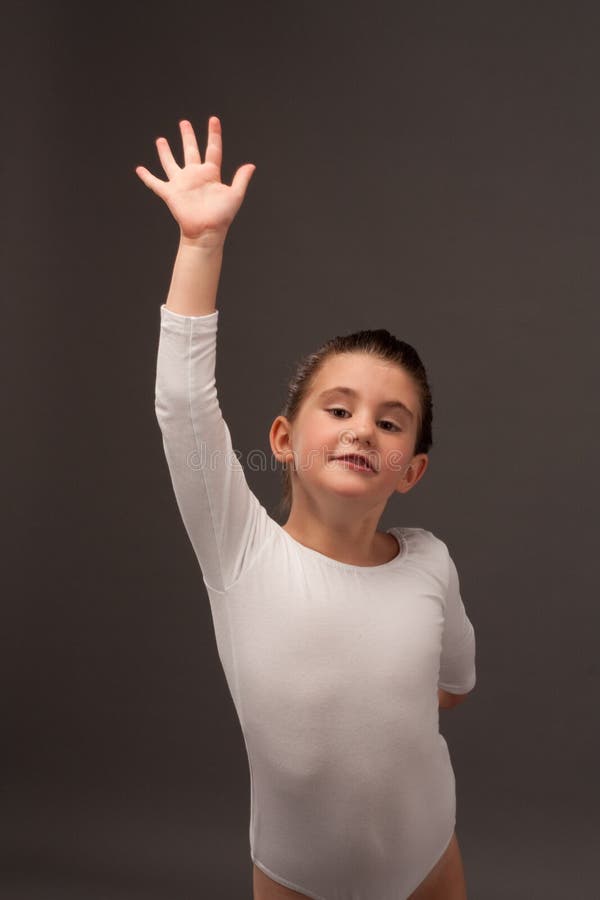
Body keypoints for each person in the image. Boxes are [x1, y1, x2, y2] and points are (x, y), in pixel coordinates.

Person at [135, 116, 477, 900]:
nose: (363, 428)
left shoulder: (429, 561)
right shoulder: (242, 551)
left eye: (391, 423)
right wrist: (200, 246)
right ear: (283, 438)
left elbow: (452, 683)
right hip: (300, 877)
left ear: (412, 469)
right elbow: (183, 404)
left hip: (432, 857)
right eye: (340, 409)